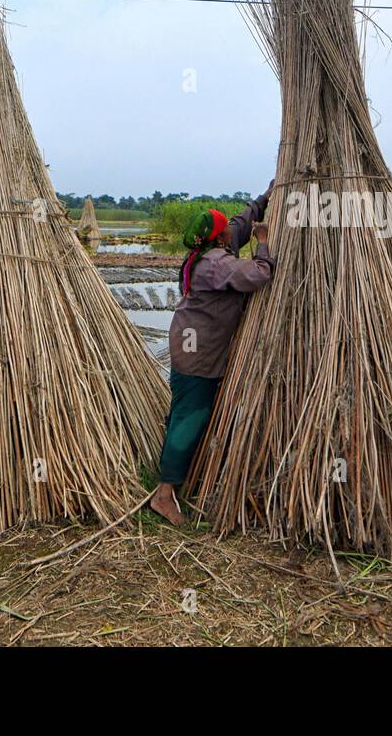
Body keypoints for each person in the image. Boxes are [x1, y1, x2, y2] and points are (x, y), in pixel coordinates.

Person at [150, 183, 275, 525]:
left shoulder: (207, 251)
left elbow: (239, 222)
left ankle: (173, 476)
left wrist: (264, 199)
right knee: (189, 420)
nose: (231, 234)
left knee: (182, 412)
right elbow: (260, 274)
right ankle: (164, 494)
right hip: (198, 353)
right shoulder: (217, 265)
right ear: (218, 240)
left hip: (188, 343)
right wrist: (262, 242)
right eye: (226, 233)